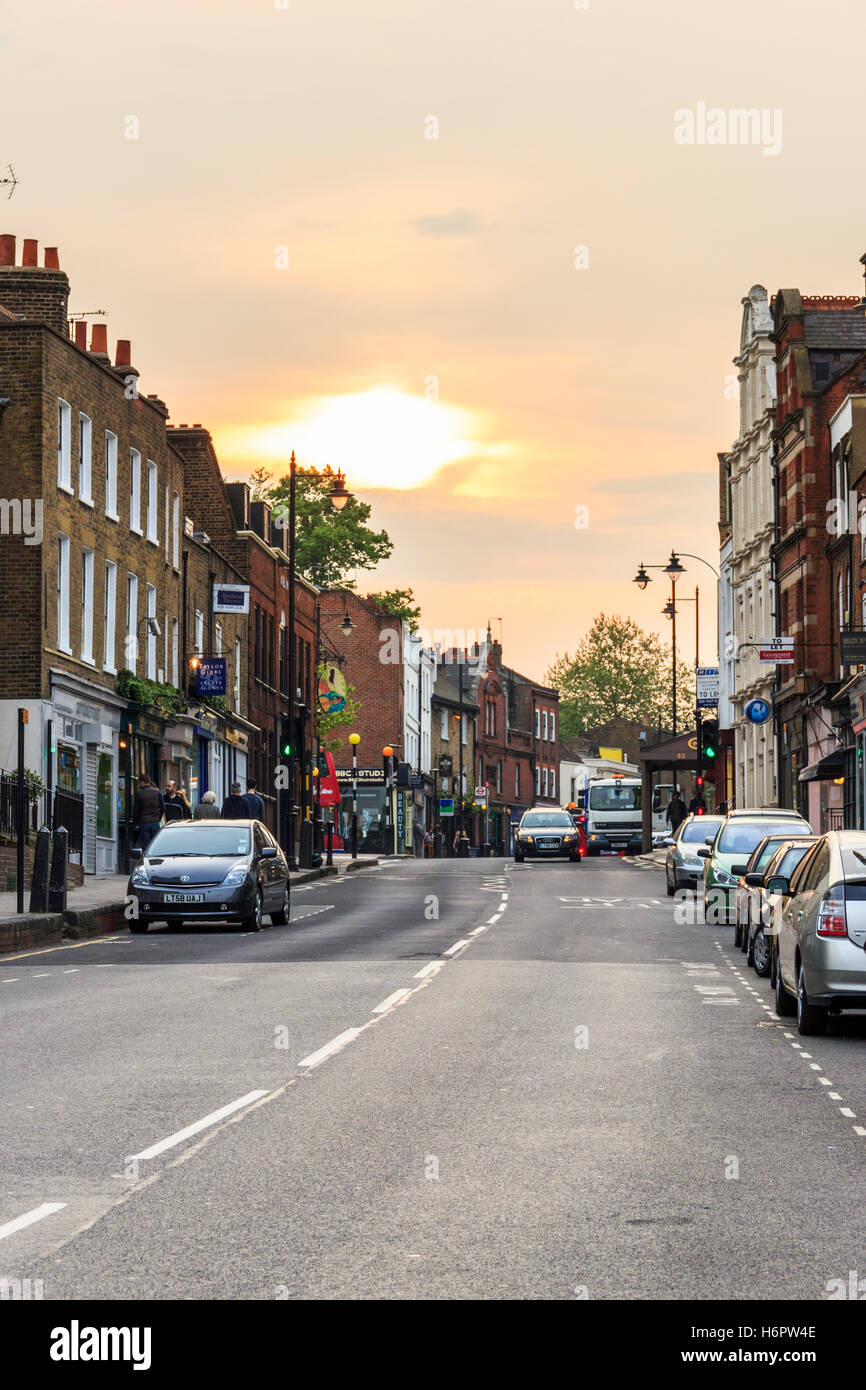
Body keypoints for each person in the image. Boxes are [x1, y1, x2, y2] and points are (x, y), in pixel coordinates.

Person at [132, 774, 164, 851]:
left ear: (142, 782)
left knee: (146, 847)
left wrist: (135, 823)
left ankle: (147, 861)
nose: (139, 784)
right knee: (155, 845)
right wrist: (157, 819)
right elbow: (163, 808)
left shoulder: (139, 794)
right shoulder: (158, 792)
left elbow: (135, 811)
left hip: (144, 823)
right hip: (155, 822)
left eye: (139, 782)